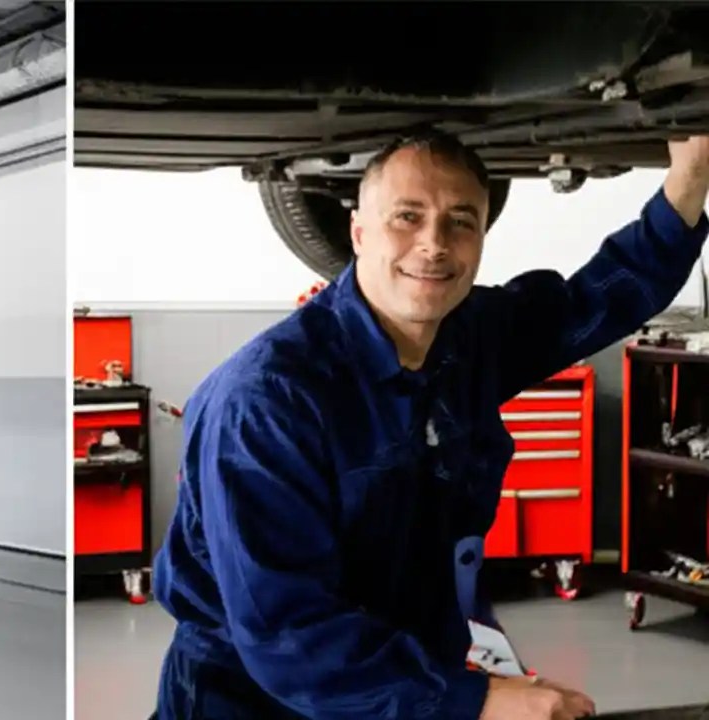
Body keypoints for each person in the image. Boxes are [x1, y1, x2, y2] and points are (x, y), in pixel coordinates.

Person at [151, 128, 709, 719]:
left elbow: (596, 302)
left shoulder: (464, 337)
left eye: (460, 221)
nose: (434, 244)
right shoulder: (267, 400)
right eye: (407, 217)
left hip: (402, 672)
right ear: (358, 232)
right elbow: (285, 629)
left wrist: (691, 179)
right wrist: (477, 701)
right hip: (253, 698)